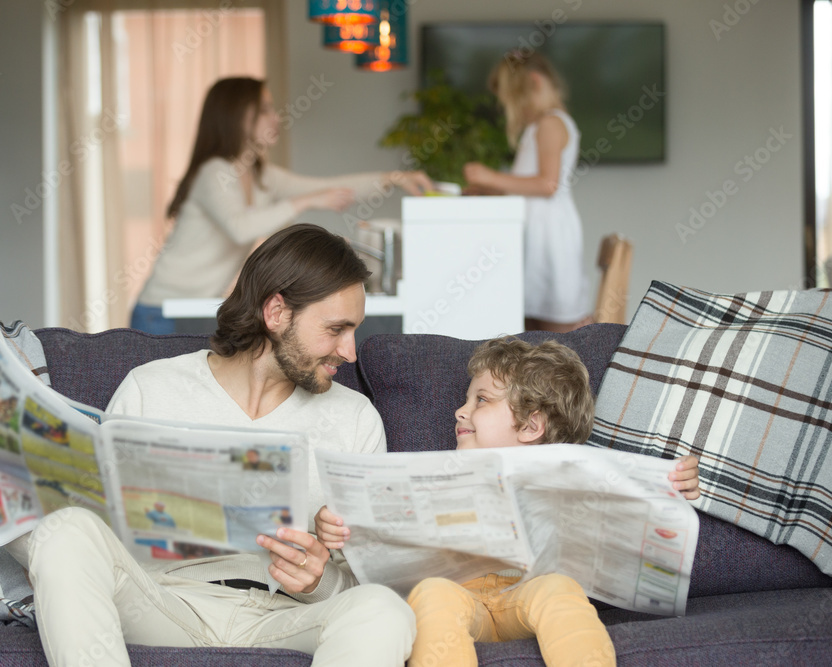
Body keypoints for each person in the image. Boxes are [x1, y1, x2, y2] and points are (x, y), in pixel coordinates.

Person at [0, 224, 417, 667]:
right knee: (68, 528)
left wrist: (318, 579)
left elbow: (361, 584)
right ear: (275, 313)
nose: (350, 352)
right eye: (336, 329)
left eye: (355, 331)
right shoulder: (152, 387)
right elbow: (76, 538)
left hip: (282, 616)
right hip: (163, 603)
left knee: (383, 609)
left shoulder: (355, 419)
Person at [315, 337, 702, 667]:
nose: (460, 410)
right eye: (466, 399)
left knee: (559, 589)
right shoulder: (435, 470)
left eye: (481, 400)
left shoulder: (574, 477)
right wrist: (342, 526)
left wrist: (669, 489)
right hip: (463, 599)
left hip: (524, 596)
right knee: (432, 593)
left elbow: (628, 521)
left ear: (532, 426)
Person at [131, 76, 434, 334]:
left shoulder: (261, 176)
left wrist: (394, 178)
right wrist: (303, 202)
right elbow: (240, 228)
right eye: (264, 110)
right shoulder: (216, 172)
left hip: (191, 309)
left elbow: (329, 188)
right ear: (235, 115)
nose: (276, 118)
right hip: (160, 312)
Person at [462, 51, 590, 333]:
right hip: (538, 236)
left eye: (514, 99)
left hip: (550, 238)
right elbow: (527, 185)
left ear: (534, 83)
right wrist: (491, 189)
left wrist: (491, 176)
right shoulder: (538, 127)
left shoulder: (550, 123)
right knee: (533, 332)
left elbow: (547, 184)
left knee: (557, 334)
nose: (515, 109)